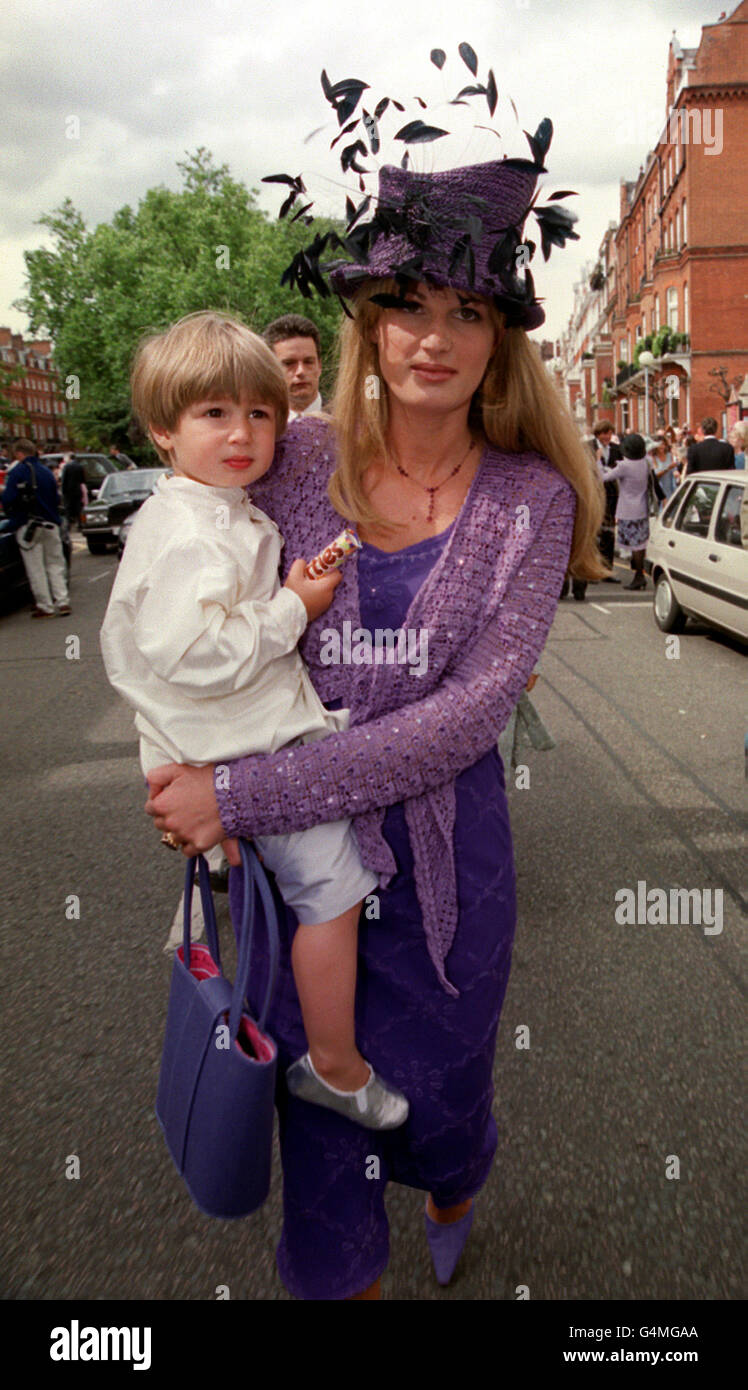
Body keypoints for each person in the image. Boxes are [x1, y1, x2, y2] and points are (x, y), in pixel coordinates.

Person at [143, 113, 605, 1300]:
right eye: (405, 304)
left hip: (450, 871)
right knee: (324, 1139)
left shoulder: (532, 499)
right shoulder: (293, 459)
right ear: (367, 323)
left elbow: (468, 719)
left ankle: (455, 1177)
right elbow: (177, 588)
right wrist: (171, 761)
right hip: (302, 877)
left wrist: (238, 791)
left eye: (466, 311)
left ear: (500, 337)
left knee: (442, 1105)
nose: (433, 336)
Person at [100, 311, 407, 1131]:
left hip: (216, 745)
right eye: (213, 413)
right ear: (163, 430)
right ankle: (335, 1067)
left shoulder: (209, 509)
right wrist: (292, 610)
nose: (241, 433)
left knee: (280, 901)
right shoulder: (192, 533)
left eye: (259, 414)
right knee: (335, 892)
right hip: (244, 747)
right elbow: (194, 652)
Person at [2, 437, 70, 617]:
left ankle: (45, 606)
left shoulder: (18, 472)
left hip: (28, 526)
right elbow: (56, 498)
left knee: (36, 569)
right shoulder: (46, 472)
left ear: (19, 453)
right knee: (55, 564)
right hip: (51, 523)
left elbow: (8, 499)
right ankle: (63, 601)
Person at [597, 432, 652, 589]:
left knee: (634, 545)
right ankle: (639, 573)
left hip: (628, 509)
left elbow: (603, 477)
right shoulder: (646, 463)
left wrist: (598, 461)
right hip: (642, 507)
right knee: (640, 544)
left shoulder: (624, 466)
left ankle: (639, 576)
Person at [263, 315, 324, 419]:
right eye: (289, 363)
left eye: (308, 362)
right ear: (270, 370)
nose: (301, 371)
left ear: (319, 366)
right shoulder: (261, 422)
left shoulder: (347, 419)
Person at [591, 419, 621, 581]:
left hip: (611, 496)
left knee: (609, 533)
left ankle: (607, 570)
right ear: (597, 434)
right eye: (604, 433)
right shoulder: (588, 447)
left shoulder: (616, 449)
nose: (607, 437)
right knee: (594, 533)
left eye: (609, 434)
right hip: (594, 495)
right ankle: (592, 570)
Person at [60, 452, 86, 529]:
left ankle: (68, 525)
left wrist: (63, 490)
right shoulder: (80, 466)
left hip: (68, 490)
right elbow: (83, 480)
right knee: (78, 508)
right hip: (77, 489)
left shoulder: (66, 466)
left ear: (69, 458)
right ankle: (80, 524)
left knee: (68, 508)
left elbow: (64, 480)